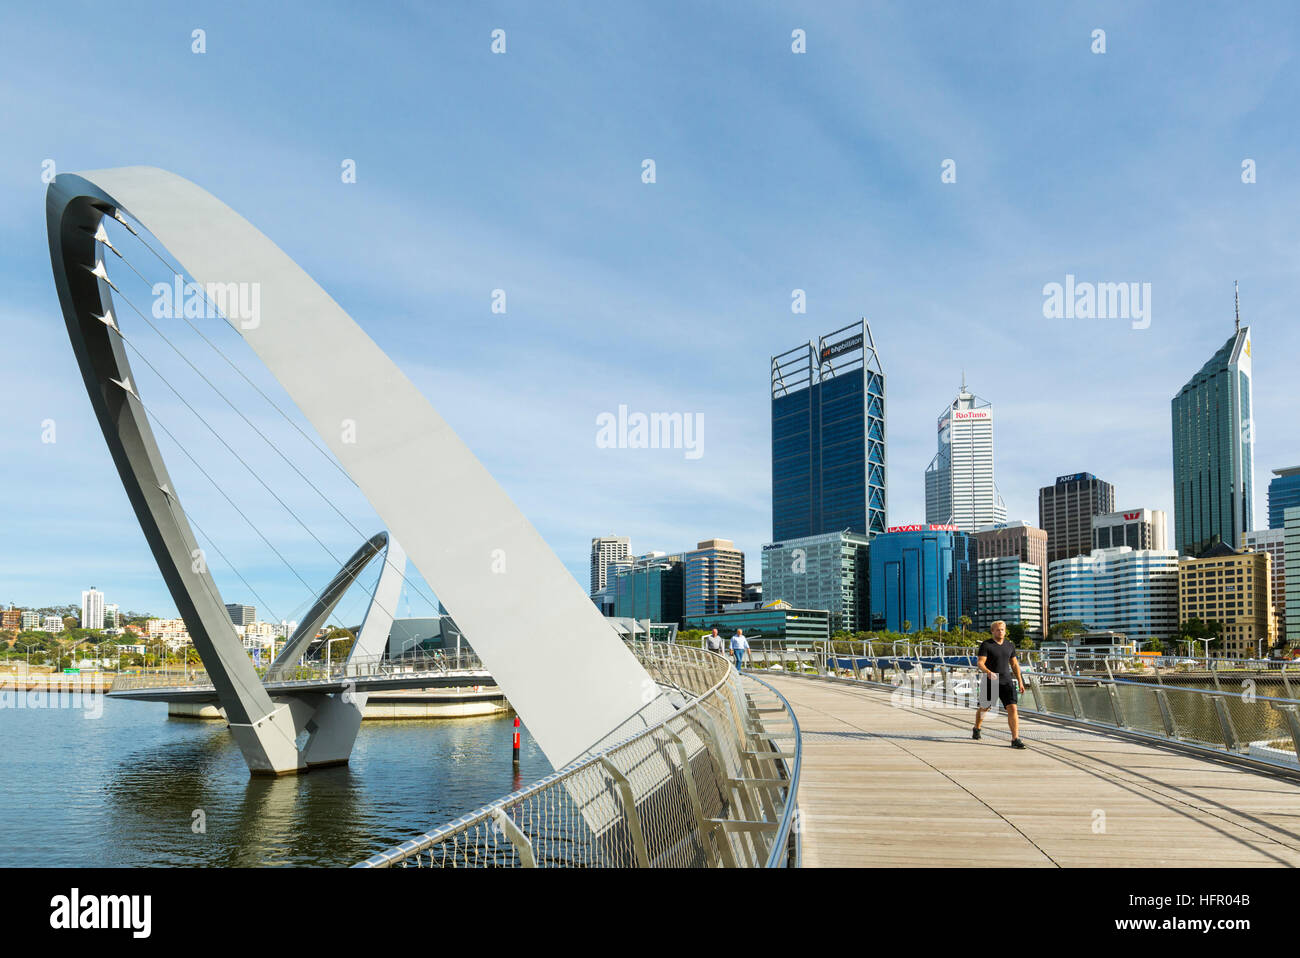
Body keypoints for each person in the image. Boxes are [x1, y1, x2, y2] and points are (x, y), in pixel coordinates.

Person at [973, 619, 1027, 748]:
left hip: (1006, 681)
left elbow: (1014, 664)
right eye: (997, 629)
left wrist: (1020, 681)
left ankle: (1015, 739)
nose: (1000, 631)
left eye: (1002, 629)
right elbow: (980, 663)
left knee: (1012, 708)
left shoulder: (1009, 645)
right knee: (985, 708)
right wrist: (988, 672)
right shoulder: (986, 645)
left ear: (1005, 631)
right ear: (992, 631)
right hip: (991, 679)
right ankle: (977, 728)